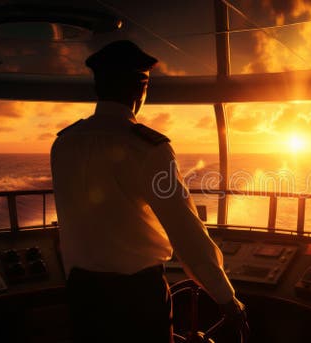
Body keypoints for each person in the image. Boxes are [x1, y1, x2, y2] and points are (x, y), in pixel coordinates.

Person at [51, 40, 248, 342]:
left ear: (98, 86)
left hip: (83, 295)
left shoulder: (63, 144)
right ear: (141, 88)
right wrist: (226, 298)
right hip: (136, 298)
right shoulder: (148, 150)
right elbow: (186, 234)